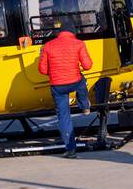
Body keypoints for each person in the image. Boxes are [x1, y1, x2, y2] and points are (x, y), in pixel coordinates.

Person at [37, 19, 92, 158]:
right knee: (82, 81)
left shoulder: (48, 46)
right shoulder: (79, 44)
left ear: (59, 32)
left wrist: (55, 72)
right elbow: (87, 66)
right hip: (75, 81)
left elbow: (42, 70)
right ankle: (85, 106)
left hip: (58, 86)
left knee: (63, 117)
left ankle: (71, 150)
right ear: (72, 32)